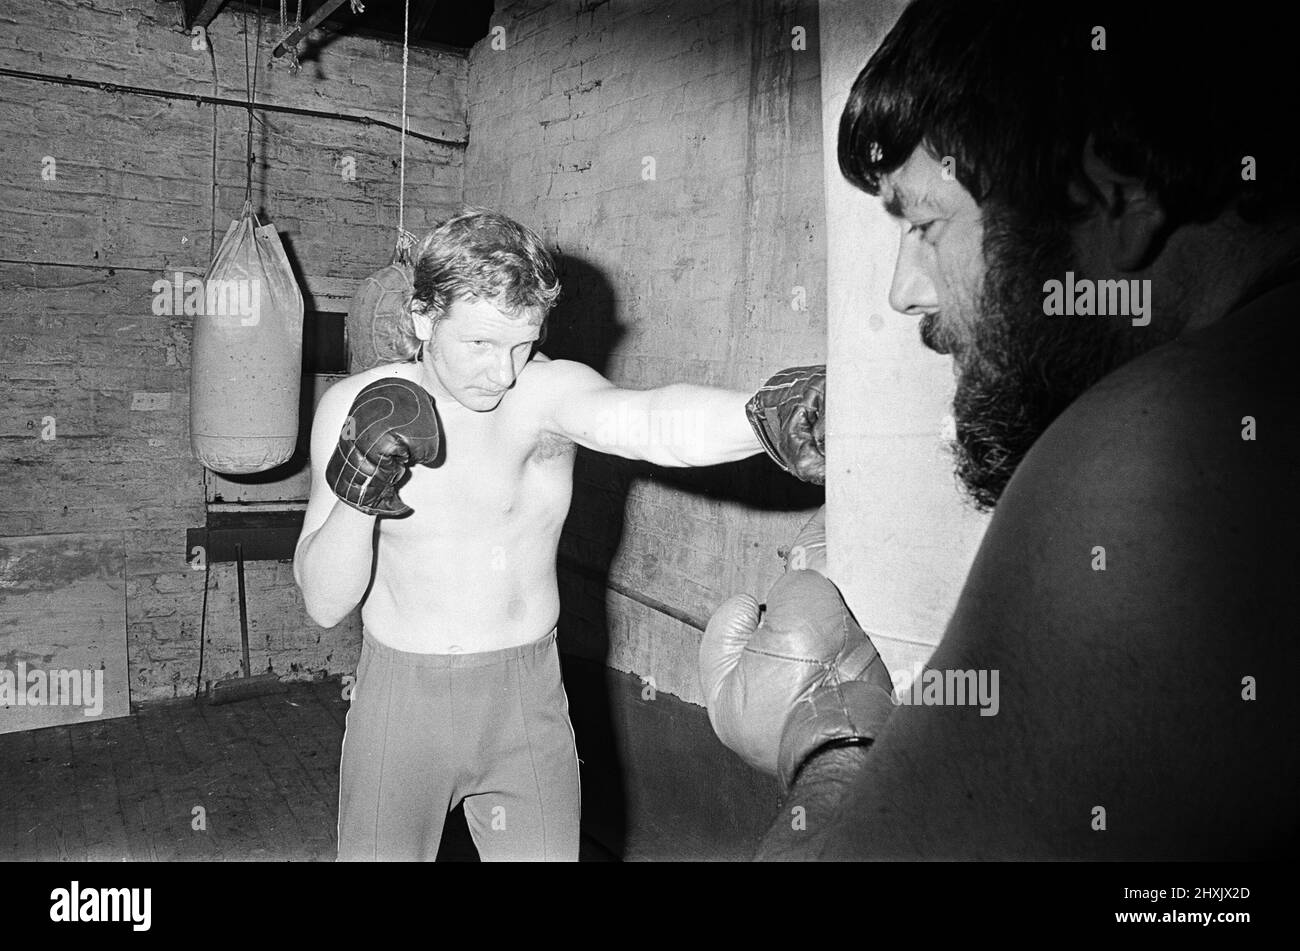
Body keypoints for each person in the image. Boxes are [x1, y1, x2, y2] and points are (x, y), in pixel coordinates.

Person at [701, 0, 1298, 859]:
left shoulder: (1159, 459)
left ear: (1113, 197)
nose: (905, 290)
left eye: (925, 224)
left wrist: (824, 738)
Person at [293, 209, 825, 861]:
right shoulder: (354, 407)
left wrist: (762, 417)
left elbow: (649, 421)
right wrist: (360, 483)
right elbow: (323, 602)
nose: (504, 372)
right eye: (482, 344)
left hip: (525, 703)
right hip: (399, 706)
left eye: (523, 344)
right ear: (425, 316)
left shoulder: (542, 395)